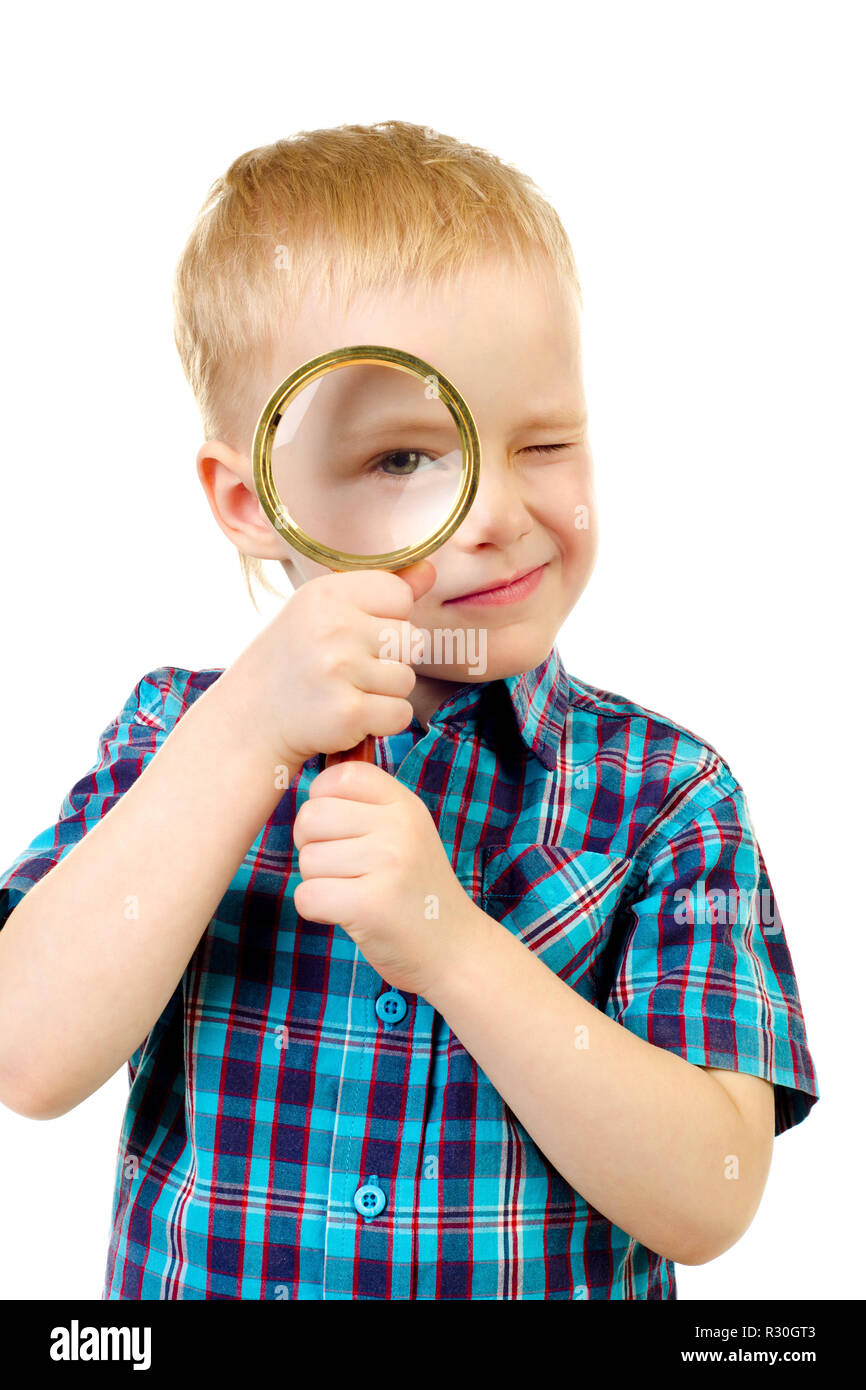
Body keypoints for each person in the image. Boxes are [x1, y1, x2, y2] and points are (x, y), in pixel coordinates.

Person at [0, 120, 819, 1300]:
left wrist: (453, 944)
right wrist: (238, 740)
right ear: (250, 500)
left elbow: (713, 1189)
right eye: (402, 460)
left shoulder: (668, 795)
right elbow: (26, 1057)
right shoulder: (176, 740)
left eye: (542, 440)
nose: (491, 510)